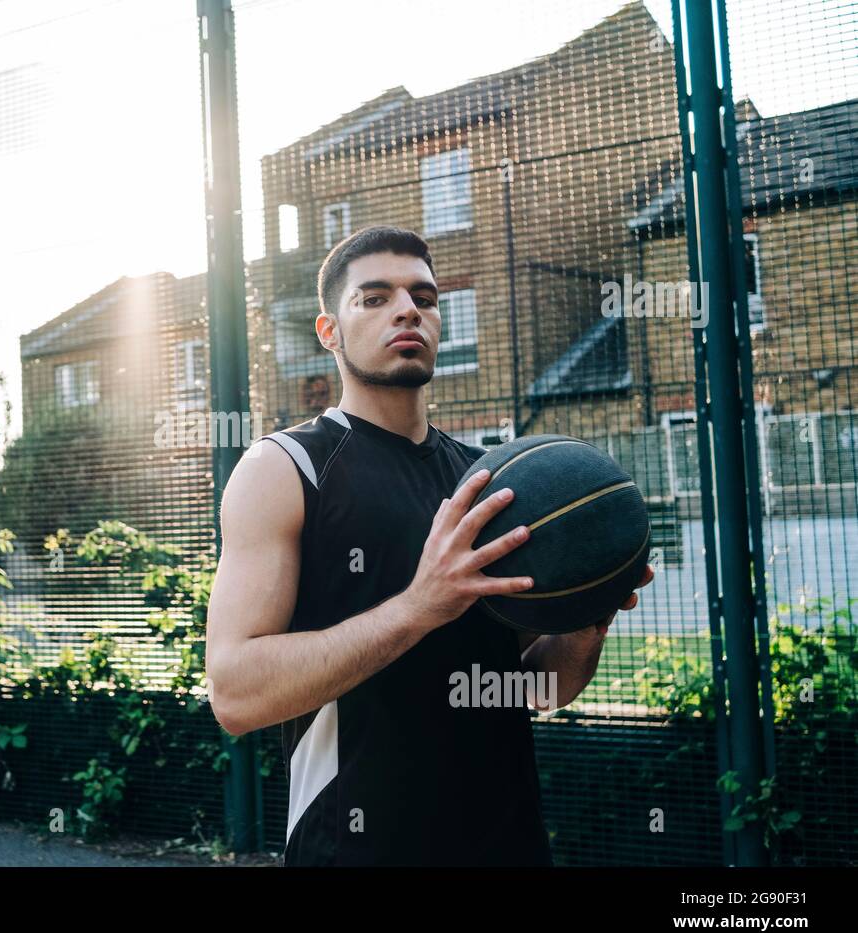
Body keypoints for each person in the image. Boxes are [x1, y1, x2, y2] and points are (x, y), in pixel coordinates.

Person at [204, 225, 653, 865]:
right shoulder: (288, 469)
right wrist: (420, 607)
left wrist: (590, 616)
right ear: (328, 331)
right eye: (374, 297)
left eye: (424, 295)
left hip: (508, 848)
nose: (408, 309)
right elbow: (236, 695)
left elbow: (529, 691)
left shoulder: (493, 480)